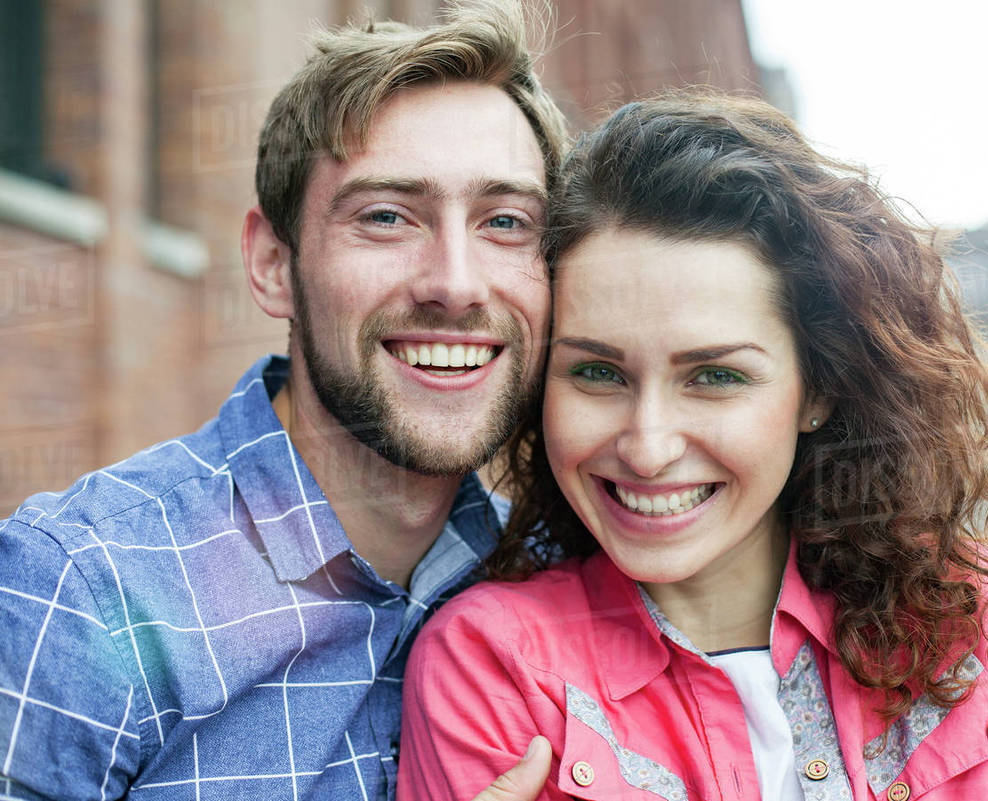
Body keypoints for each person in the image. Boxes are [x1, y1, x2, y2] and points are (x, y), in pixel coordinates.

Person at [398, 90, 988, 800]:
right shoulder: (490, 668)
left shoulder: (980, 624)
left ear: (817, 387)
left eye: (715, 376)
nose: (648, 446)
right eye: (597, 372)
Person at [0, 3, 567, 799]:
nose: (456, 284)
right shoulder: (81, 587)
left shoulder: (563, 581)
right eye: (386, 217)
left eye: (505, 221)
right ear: (272, 264)